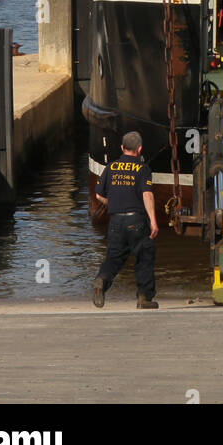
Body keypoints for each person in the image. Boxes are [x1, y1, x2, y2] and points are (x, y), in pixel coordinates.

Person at [92, 131, 159, 310]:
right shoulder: (142, 169)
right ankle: (144, 298)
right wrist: (153, 220)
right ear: (139, 149)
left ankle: (102, 280)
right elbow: (147, 194)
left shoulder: (111, 167)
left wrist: (112, 203)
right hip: (136, 220)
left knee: (113, 257)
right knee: (144, 257)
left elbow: (98, 195)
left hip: (115, 221)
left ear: (122, 148)